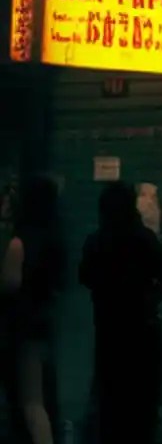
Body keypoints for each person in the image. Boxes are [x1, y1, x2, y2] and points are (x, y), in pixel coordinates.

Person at [80, 181, 162, 444]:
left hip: (108, 331)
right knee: (142, 404)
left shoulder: (96, 241)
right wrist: (148, 299)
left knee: (111, 404)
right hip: (143, 330)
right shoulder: (145, 238)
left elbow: (84, 277)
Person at [1, 176, 64, 444]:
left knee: (30, 402)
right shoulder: (54, 239)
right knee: (38, 399)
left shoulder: (19, 242)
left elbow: (9, 284)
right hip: (42, 324)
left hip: (21, 328)